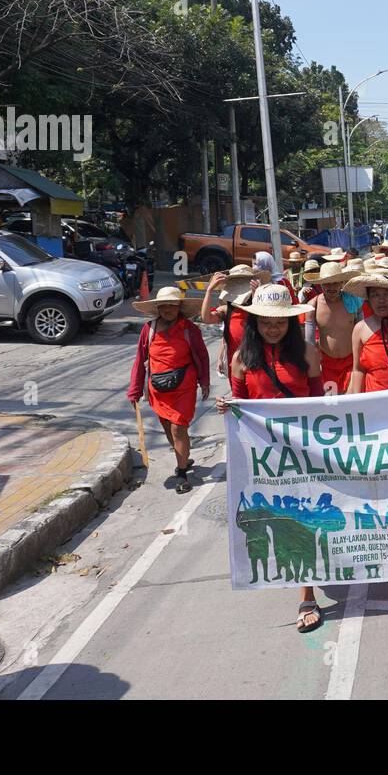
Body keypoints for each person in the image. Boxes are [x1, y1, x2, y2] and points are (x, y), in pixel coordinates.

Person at [215, 285, 327, 633]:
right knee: (284, 520)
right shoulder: (241, 359)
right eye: (265, 322)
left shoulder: (308, 354)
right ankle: (305, 590)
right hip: (264, 458)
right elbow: (240, 405)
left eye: (279, 322)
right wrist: (227, 407)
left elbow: (319, 405)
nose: (273, 328)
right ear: (254, 323)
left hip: (303, 451)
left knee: (303, 520)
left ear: (290, 323)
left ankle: (307, 594)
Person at [127, 287, 210, 494]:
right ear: (158, 308)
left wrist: (205, 381)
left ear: (179, 307)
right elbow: (140, 360)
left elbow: (202, 355)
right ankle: (183, 455)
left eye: (172, 305)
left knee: (177, 428)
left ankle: (181, 474)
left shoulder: (190, 329)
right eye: (163, 305)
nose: (168, 309)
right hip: (158, 389)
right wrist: (135, 389)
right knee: (167, 427)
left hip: (184, 387)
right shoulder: (149, 329)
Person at [303, 260, 362, 396]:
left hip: (352, 362)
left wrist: (360, 362)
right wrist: (313, 366)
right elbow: (309, 342)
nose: (331, 287)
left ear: (342, 283)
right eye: (327, 283)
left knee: (352, 403)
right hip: (326, 365)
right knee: (332, 406)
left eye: (335, 282)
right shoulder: (313, 305)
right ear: (320, 284)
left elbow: (361, 332)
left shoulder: (353, 302)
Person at [199, 265, 261, 381]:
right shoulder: (227, 310)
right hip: (234, 364)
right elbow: (206, 318)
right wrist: (209, 290)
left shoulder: (259, 307)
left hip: (256, 362)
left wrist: (257, 296)